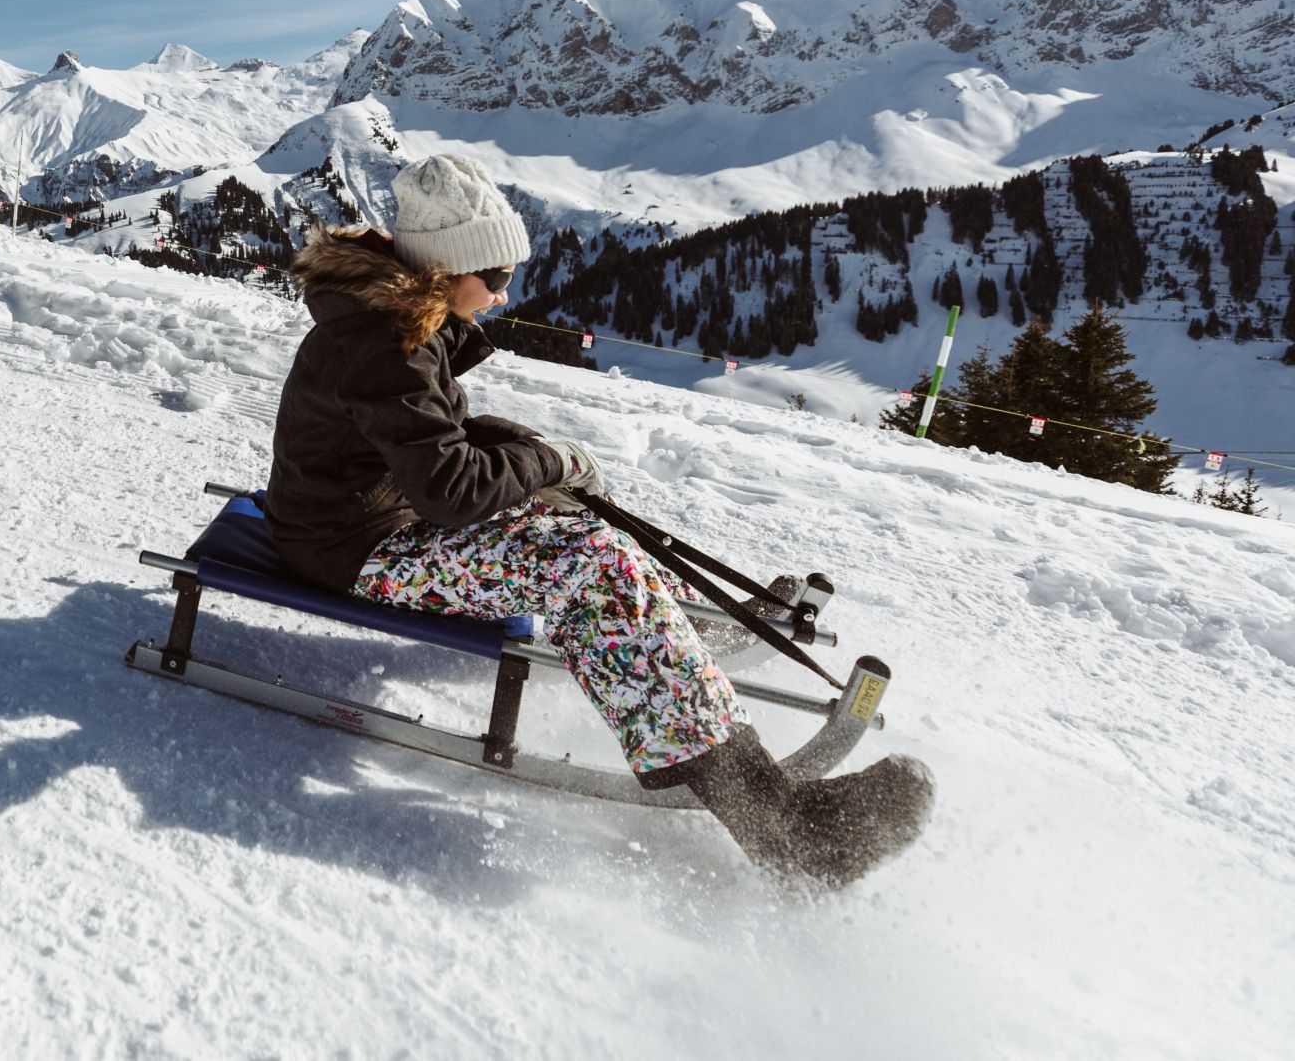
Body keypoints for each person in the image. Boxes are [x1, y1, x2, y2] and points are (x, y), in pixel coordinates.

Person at [264, 153, 933, 886]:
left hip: (381, 516)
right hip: (355, 547)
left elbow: (414, 433)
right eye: (496, 276)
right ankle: (780, 825)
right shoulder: (383, 342)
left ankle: (673, 632)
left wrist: (532, 456)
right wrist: (547, 460)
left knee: (580, 529)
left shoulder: (396, 320)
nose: (502, 294)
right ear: (448, 268)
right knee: (586, 564)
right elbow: (449, 490)